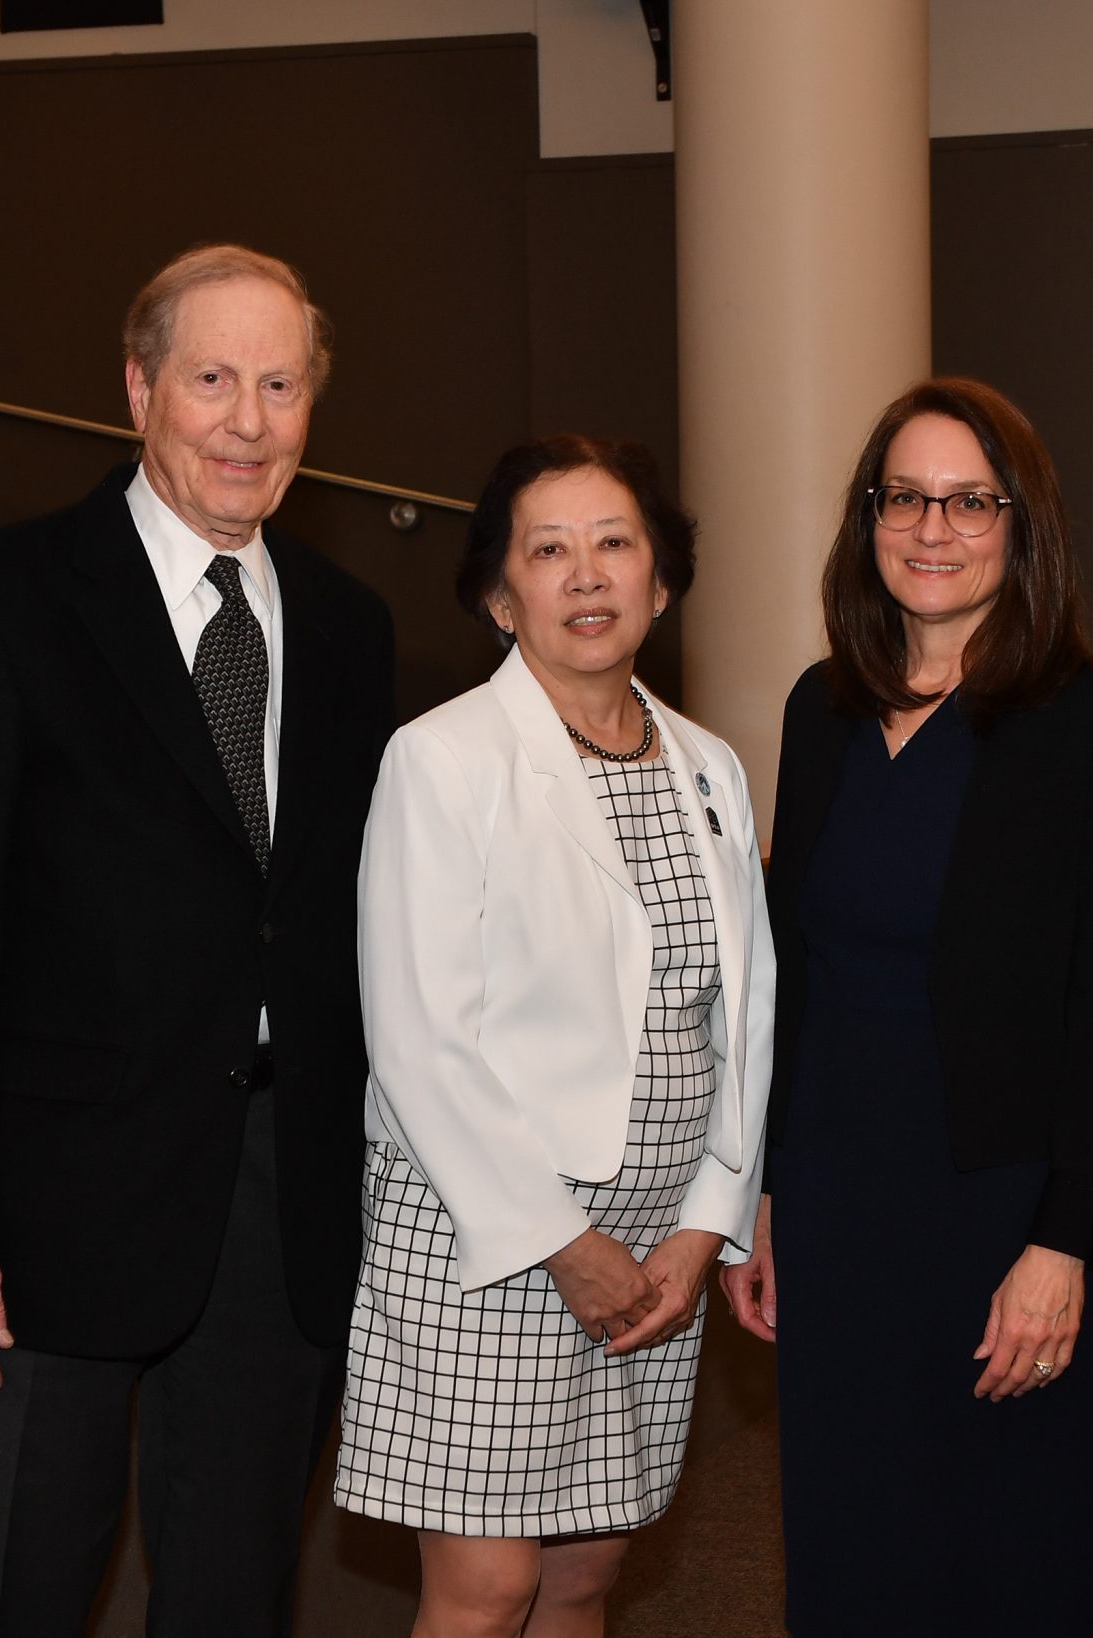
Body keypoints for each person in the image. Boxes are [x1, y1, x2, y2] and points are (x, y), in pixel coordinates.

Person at [0, 244, 396, 1635]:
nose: (247, 419)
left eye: (281, 385)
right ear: (138, 389)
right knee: (13, 1596)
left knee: (233, 1599)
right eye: (213, 377)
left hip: (276, 1208)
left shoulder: (350, 630)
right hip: (42, 1214)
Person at [719, 378, 1093, 1634]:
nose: (932, 527)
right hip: (838, 1200)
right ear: (868, 518)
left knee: (1007, 1560)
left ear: (1023, 526)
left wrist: (1062, 1242)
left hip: (1001, 1218)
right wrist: (762, 1193)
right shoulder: (823, 709)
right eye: (903, 496)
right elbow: (789, 971)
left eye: (970, 500)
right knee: (853, 1550)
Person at [335, 435, 775, 1637]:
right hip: (490, 1237)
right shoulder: (439, 760)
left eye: (615, 545)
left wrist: (707, 1221)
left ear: (662, 580)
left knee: (585, 1578)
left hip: (653, 1247)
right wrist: (561, 1240)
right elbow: (419, 1037)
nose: (586, 578)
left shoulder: (711, 768)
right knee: (485, 1590)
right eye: (549, 551)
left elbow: (746, 1011)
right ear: (498, 593)